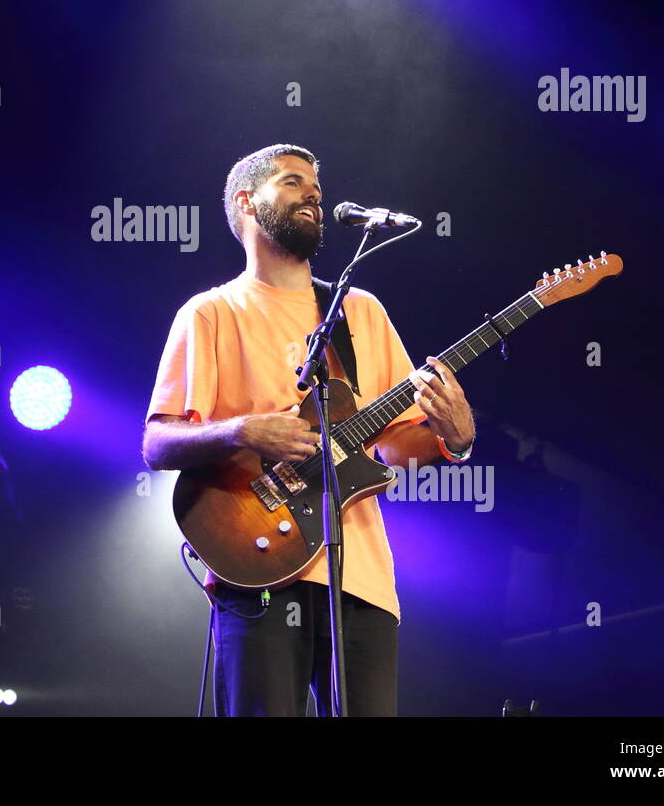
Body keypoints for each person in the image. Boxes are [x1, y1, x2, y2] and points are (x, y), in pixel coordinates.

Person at [142, 144, 475, 716]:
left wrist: (455, 438)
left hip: (360, 579)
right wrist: (245, 431)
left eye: (317, 187)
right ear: (247, 203)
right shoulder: (210, 312)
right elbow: (158, 443)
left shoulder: (359, 311)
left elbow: (394, 439)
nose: (314, 195)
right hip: (257, 569)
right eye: (294, 183)